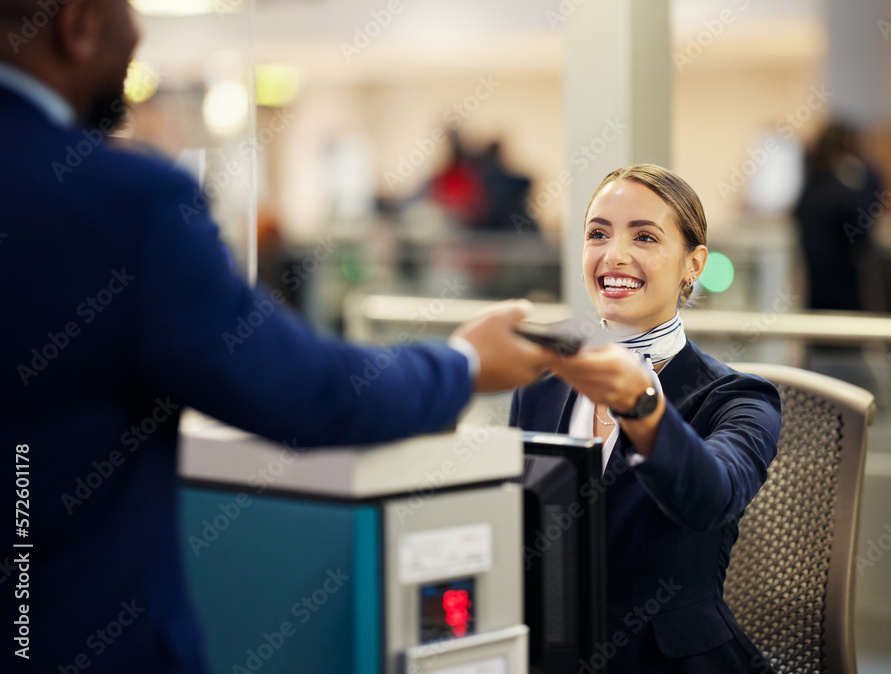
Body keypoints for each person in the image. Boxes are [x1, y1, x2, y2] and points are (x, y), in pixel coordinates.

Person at [0, 1, 553, 671]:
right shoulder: (122, 201)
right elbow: (308, 391)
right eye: (130, 10)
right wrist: (464, 363)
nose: (140, 37)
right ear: (78, 24)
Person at [510, 165, 781, 672]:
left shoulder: (738, 399)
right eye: (597, 234)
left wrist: (640, 405)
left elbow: (711, 496)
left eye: (645, 236)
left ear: (693, 264)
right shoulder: (542, 386)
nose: (614, 255)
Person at [794, 121, 883, 312]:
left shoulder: (809, 192)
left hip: (816, 289)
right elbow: (863, 236)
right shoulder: (843, 193)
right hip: (844, 290)